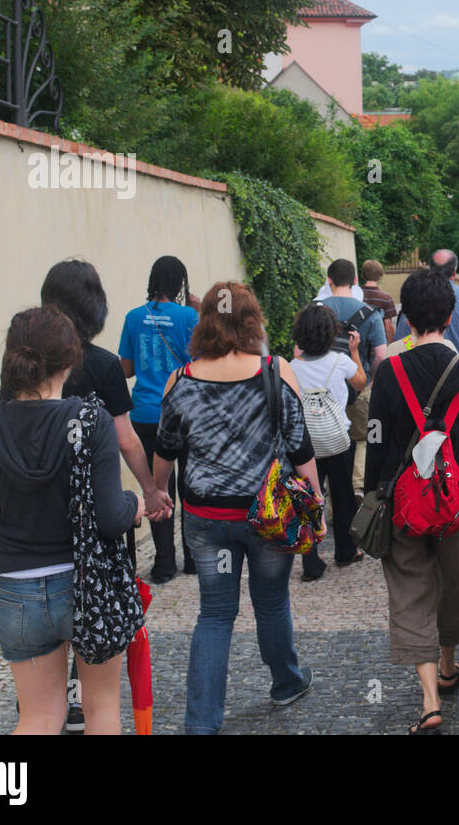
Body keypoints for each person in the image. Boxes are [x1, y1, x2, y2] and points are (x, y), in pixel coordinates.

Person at [150, 282, 324, 734]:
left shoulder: (181, 379)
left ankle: (202, 723)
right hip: (268, 512)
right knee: (270, 601)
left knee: (214, 612)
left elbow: (165, 449)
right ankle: (286, 681)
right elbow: (299, 444)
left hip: (207, 517)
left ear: (206, 321)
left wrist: (156, 491)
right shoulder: (275, 369)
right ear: (253, 322)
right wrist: (315, 497)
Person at [0, 307, 144, 734]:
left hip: (15, 588)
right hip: (84, 584)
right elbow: (108, 517)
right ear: (70, 361)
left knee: (39, 716)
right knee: (100, 709)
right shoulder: (91, 421)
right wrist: (134, 503)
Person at [365, 269, 459, 735]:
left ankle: (429, 699)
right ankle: (448, 667)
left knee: (410, 588)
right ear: (450, 316)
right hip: (455, 499)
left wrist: (373, 496)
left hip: (403, 499)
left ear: (406, 318)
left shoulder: (389, 371)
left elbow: (377, 438)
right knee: (452, 578)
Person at [38, 258, 167, 733]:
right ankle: (91, 699)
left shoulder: (26, 367)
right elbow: (127, 440)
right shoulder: (102, 365)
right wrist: (151, 492)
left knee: (52, 606)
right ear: (96, 309)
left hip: (42, 515)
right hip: (99, 512)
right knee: (99, 607)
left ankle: (59, 703)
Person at [119, 256, 199, 584]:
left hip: (146, 414)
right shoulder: (189, 316)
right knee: (189, 485)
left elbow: (125, 369)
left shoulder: (133, 317)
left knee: (155, 487)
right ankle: (193, 558)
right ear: (180, 283)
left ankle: (164, 564)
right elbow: (200, 364)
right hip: (184, 413)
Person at [290, 303, 368, 580]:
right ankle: (346, 551)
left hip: (304, 444)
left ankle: (311, 562)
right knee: (344, 496)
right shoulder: (341, 360)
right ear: (330, 333)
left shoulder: (290, 367)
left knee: (307, 498)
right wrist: (355, 350)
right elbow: (360, 383)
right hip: (337, 438)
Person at [320, 259, 388, 501]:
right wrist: (370, 379)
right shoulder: (370, 313)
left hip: (323, 389)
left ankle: (330, 491)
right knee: (364, 438)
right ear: (356, 281)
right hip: (360, 385)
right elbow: (381, 353)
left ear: (329, 281)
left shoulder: (315, 309)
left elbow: (300, 351)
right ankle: (358, 484)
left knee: (329, 437)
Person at [393, 250, 459, 395]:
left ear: (430, 270)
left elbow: (403, 340)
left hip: (422, 381)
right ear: (454, 272)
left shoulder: (417, 297)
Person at [360, 259, 399, 343]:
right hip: (379, 344)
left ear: (363, 274)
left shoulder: (356, 295)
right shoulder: (386, 298)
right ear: (380, 275)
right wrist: (391, 345)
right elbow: (388, 326)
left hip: (359, 344)